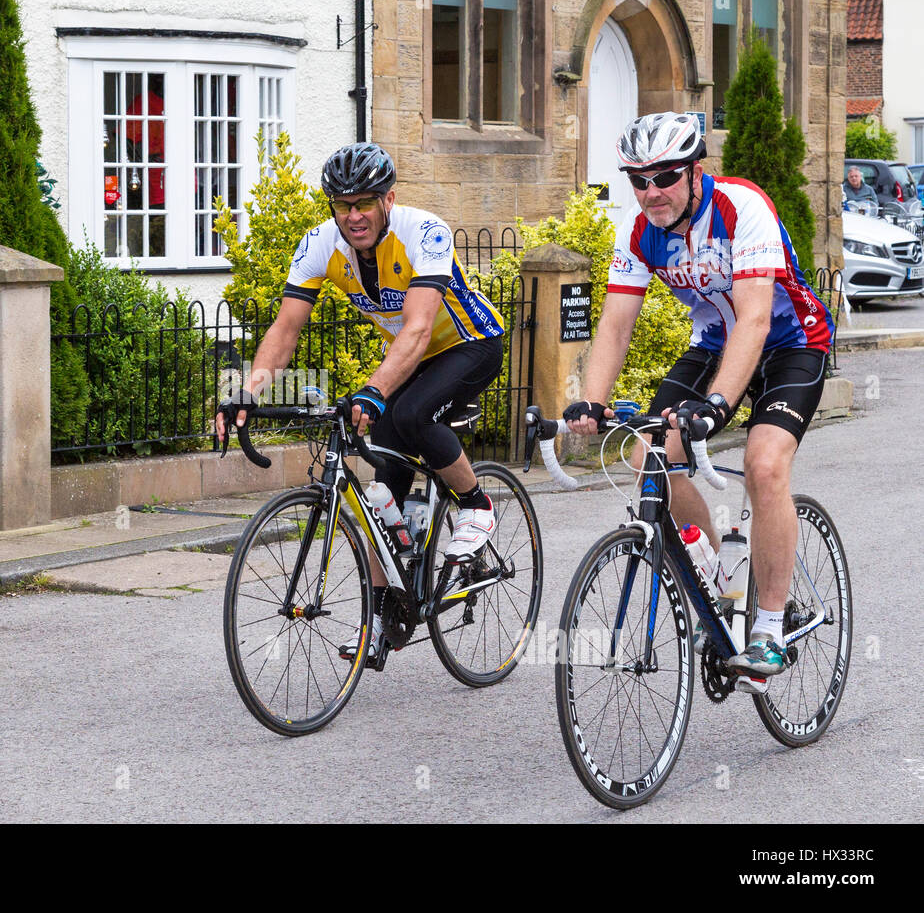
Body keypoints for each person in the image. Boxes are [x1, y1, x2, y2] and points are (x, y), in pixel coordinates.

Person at [565, 111, 834, 691]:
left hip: (789, 343)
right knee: (647, 457)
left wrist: (715, 405)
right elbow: (616, 325)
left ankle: (766, 628)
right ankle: (721, 583)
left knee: (764, 465)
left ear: (694, 171)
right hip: (715, 343)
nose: (650, 192)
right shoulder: (640, 230)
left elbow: (756, 317)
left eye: (663, 176)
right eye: (637, 180)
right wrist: (591, 401)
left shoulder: (742, 208)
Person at [215, 142, 506, 662]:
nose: (354, 216)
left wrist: (375, 388)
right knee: (380, 499)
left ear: (387, 200)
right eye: (343, 205)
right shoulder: (319, 244)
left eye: (365, 203)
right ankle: (384, 614)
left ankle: (476, 506)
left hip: (468, 345)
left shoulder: (424, 232)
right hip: (409, 358)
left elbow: (418, 329)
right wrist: (246, 391)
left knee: (413, 414)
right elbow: (285, 330)